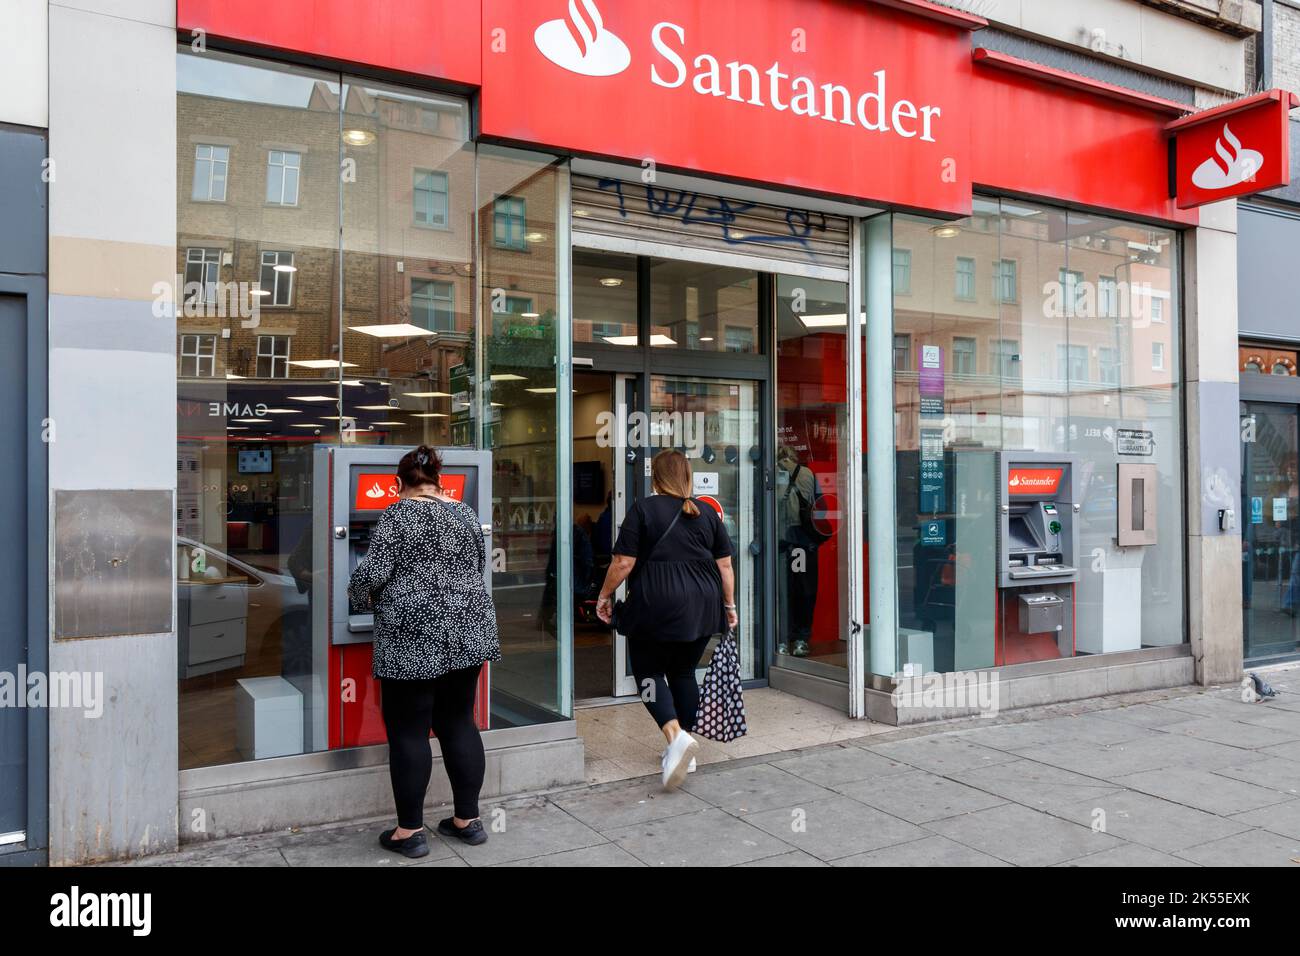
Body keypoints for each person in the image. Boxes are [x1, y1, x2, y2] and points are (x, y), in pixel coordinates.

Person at [348, 445, 500, 858]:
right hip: (467, 631)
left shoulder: (398, 516)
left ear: (398, 485)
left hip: (413, 637)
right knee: (458, 722)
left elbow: (370, 575)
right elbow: (476, 567)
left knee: (410, 731)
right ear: (439, 481)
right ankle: (468, 821)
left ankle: (410, 833)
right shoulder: (465, 514)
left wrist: (357, 598)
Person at [595, 449, 738, 790]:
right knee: (684, 672)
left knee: (647, 671)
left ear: (656, 478)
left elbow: (623, 563)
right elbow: (726, 567)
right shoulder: (706, 513)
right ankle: (682, 746)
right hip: (703, 605)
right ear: (687, 476)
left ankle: (675, 737)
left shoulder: (644, 509)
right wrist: (729, 606)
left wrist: (603, 596)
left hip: (657, 602)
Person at [777, 444, 820, 657]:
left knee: (782, 590)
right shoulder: (809, 474)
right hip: (804, 541)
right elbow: (818, 504)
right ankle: (802, 639)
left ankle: (781, 640)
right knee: (803, 589)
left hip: (781, 540)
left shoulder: (772, 470)